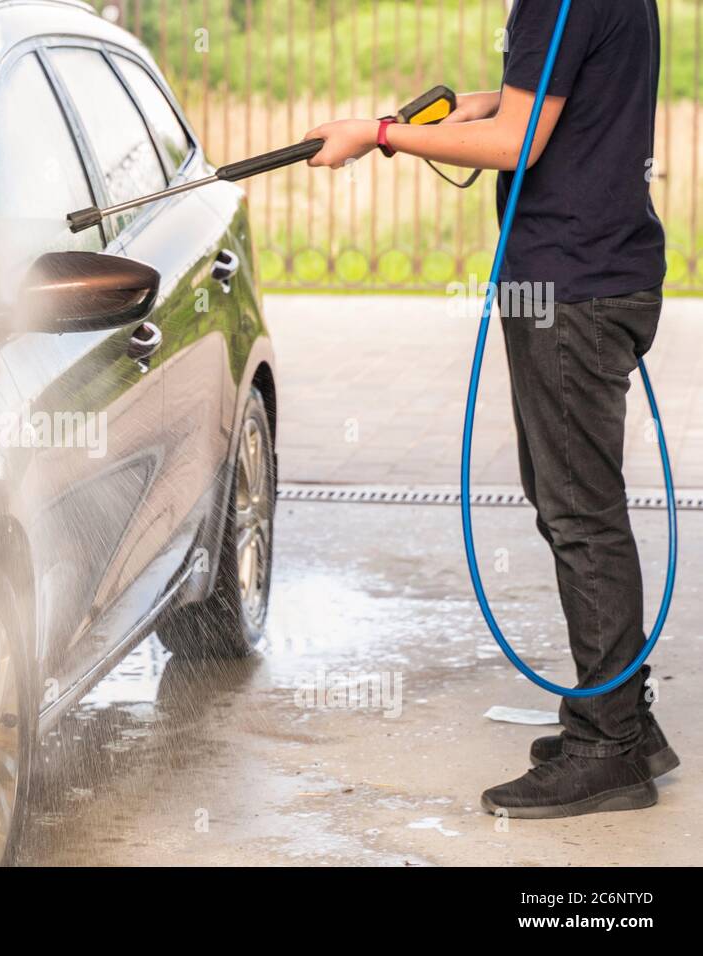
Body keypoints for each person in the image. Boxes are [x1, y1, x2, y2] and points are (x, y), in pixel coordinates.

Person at [303, 0, 677, 818]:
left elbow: (519, 143)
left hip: (571, 289)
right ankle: (623, 719)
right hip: (590, 273)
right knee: (570, 501)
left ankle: (609, 748)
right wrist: (482, 102)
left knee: (580, 512)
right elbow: (548, 105)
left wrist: (381, 135)